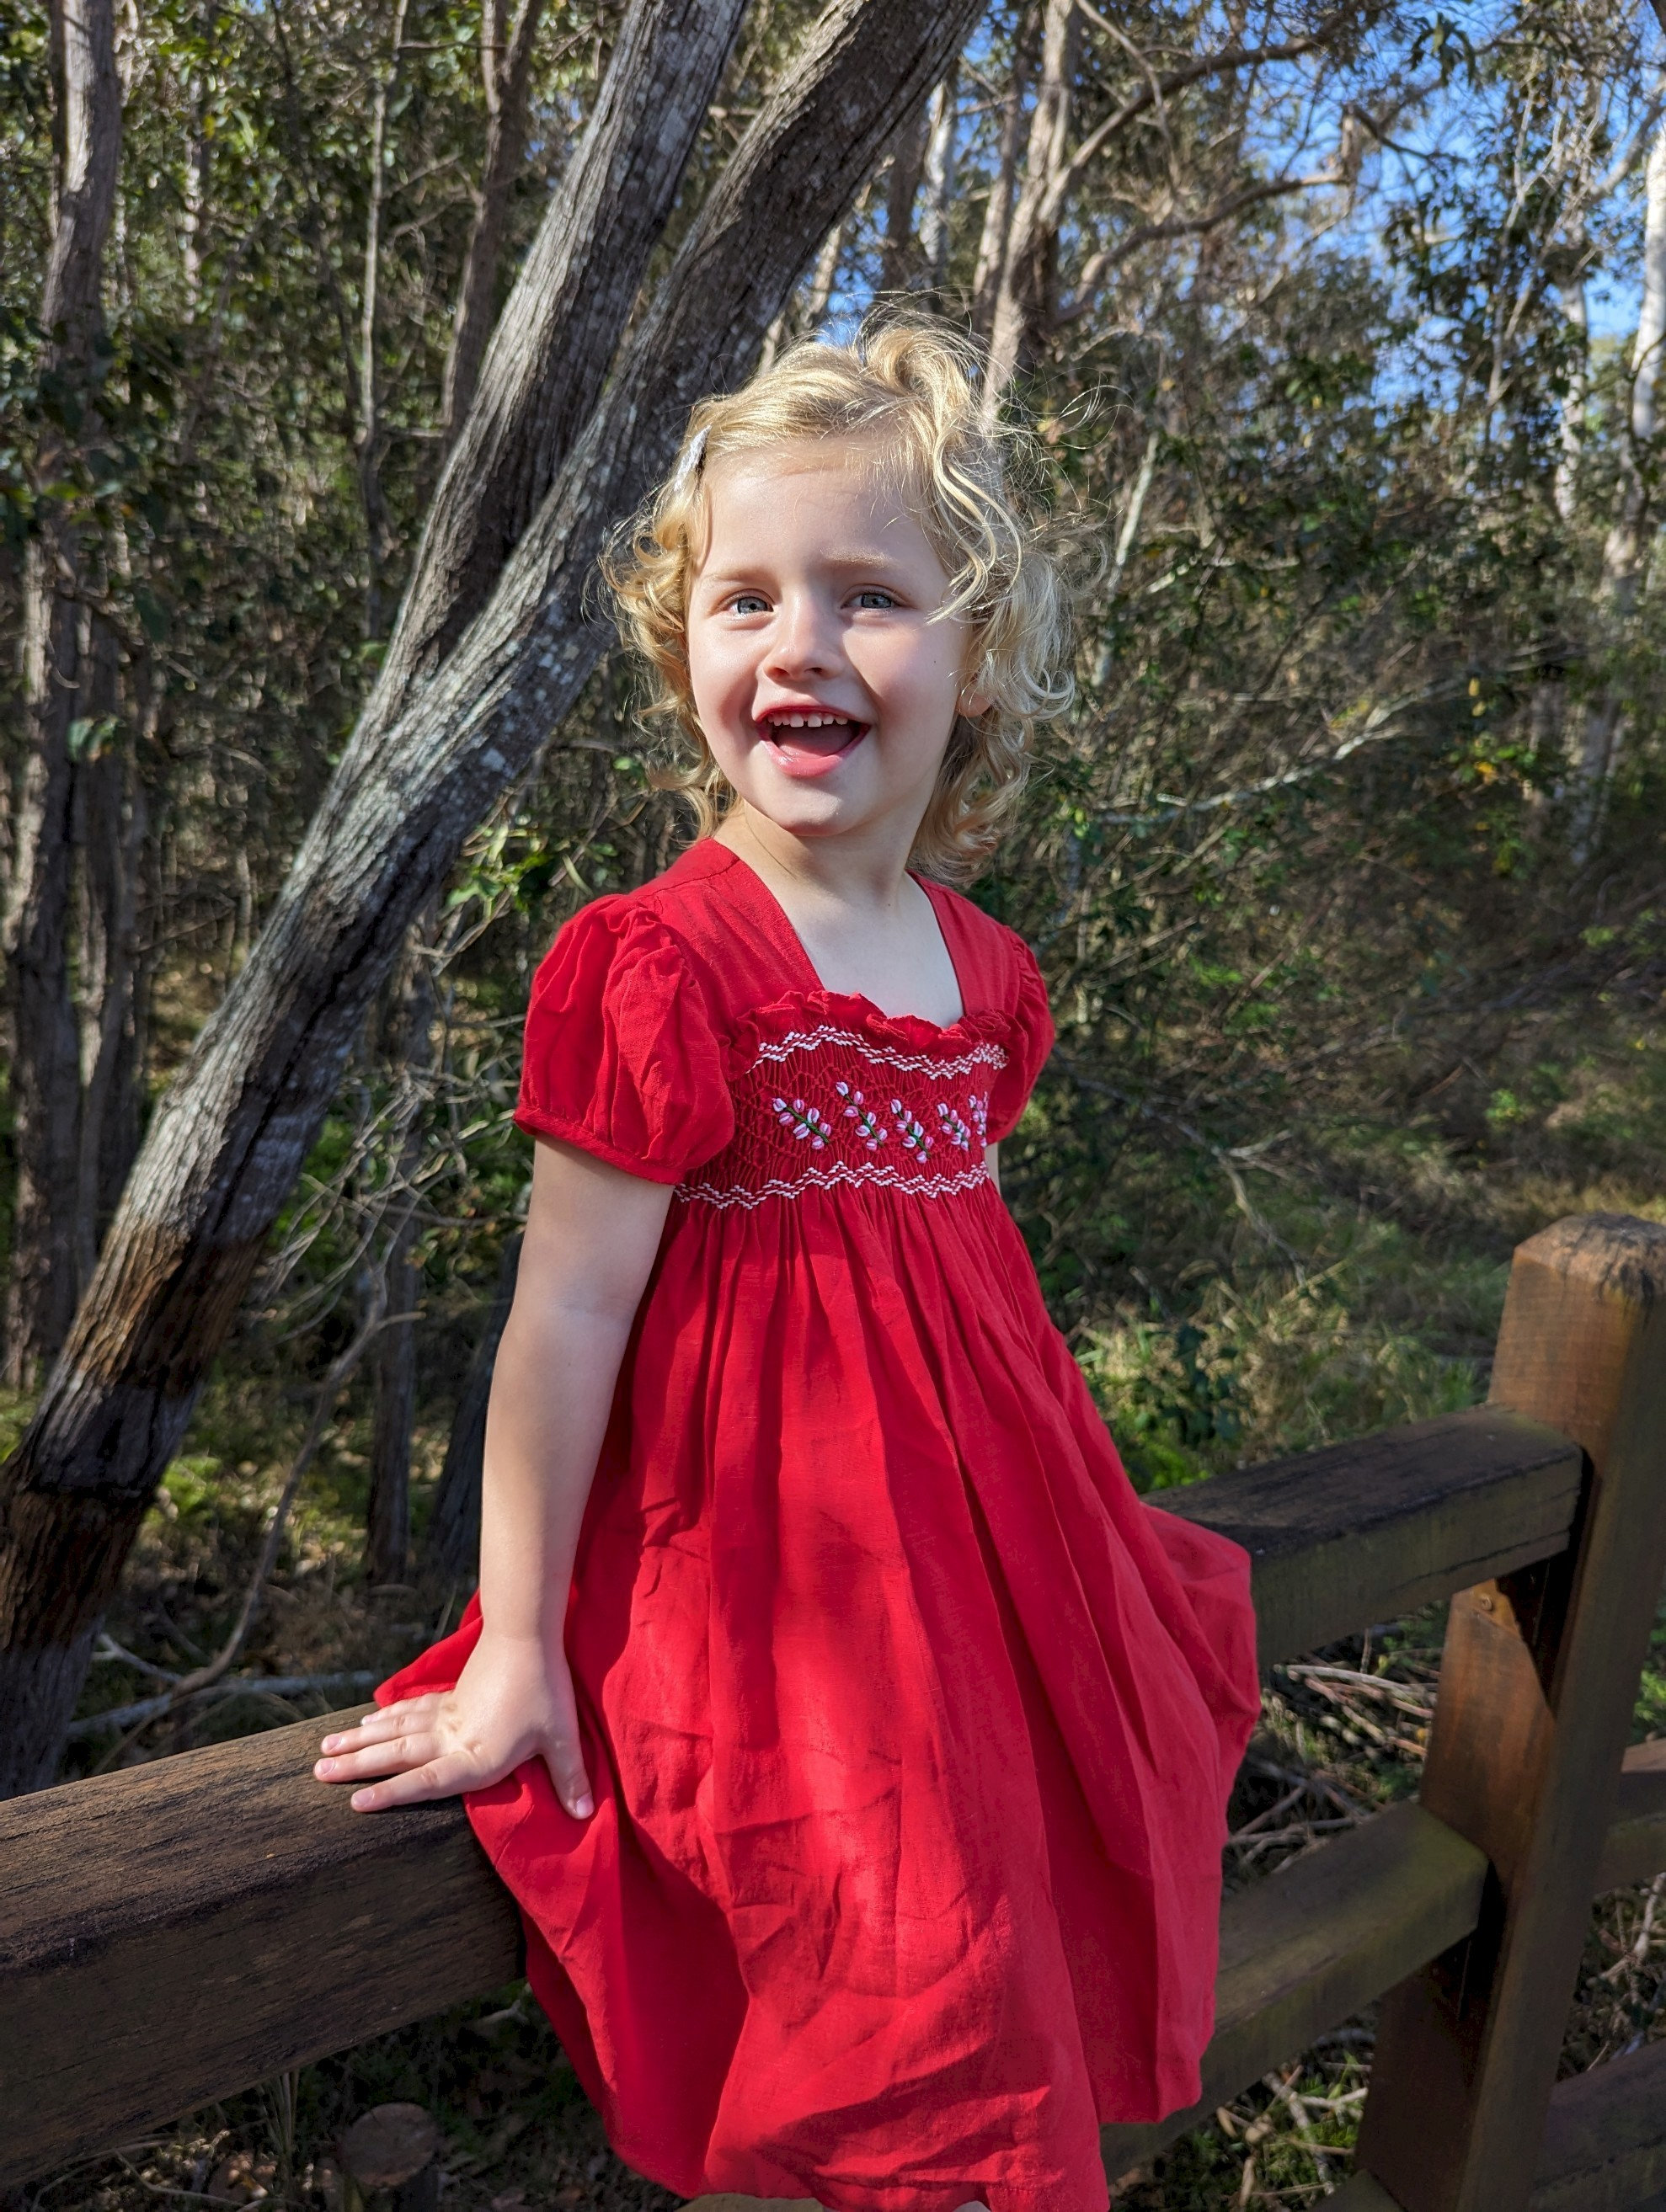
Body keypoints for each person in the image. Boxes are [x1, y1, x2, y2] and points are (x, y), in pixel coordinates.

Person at [312, 321, 1259, 2212]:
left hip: (983, 1572)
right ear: (687, 654)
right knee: (878, 2007)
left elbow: (937, 1307)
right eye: (743, 597)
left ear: (973, 656)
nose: (799, 644)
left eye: (869, 596)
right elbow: (567, 1314)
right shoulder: (663, 961)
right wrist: (513, 1643)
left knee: (1038, 1895)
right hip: (775, 1608)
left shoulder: (982, 980)